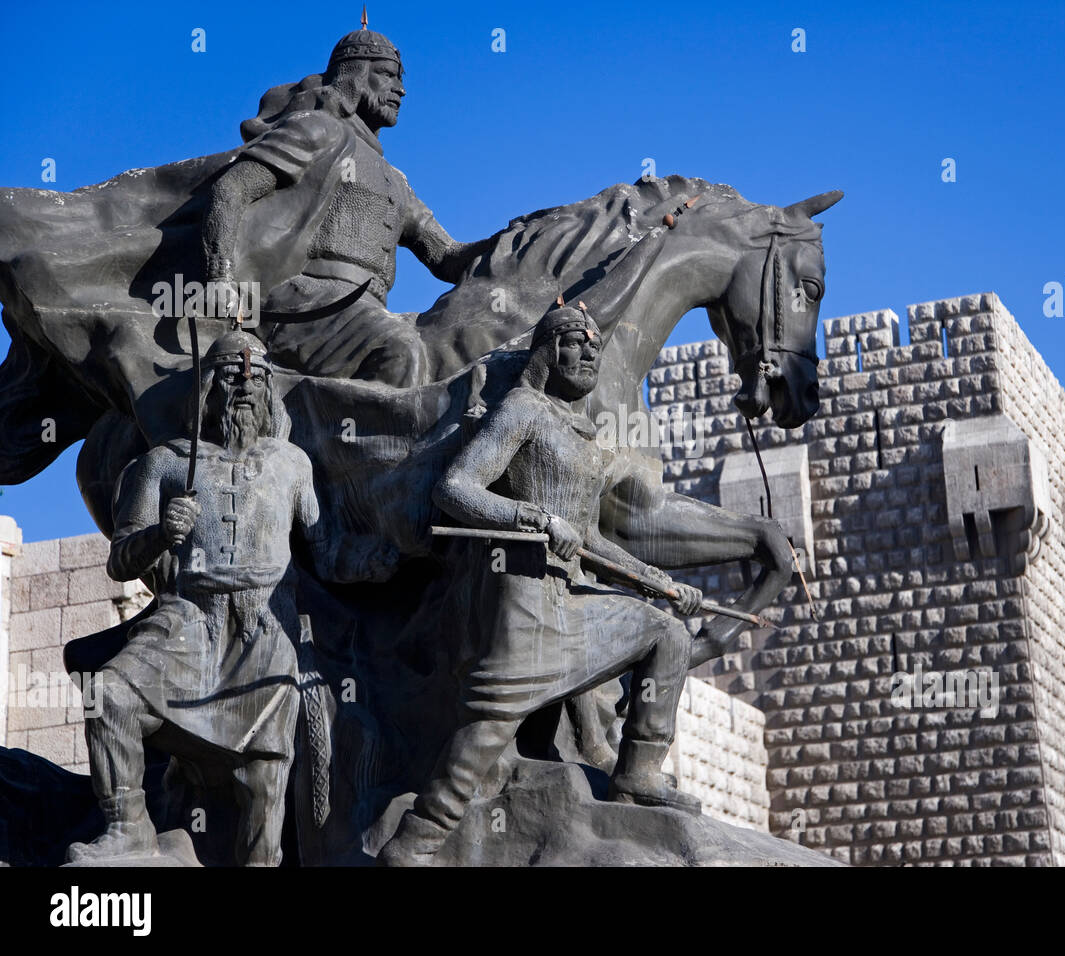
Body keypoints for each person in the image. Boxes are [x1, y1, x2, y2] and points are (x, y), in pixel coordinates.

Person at [379, 303, 704, 866]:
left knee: (666, 632)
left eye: (594, 346)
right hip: (521, 600)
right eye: (575, 343)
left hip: (570, 596)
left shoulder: (581, 433)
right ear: (548, 352)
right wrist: (530, 518)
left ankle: (639, 771)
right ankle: (413, 845)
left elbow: (587, 538)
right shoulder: (522, 409)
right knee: (488, 729)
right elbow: (456, 488)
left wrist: (658, 582)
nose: (588, 354)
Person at [67, 330, 396, 865]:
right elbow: (121, 559)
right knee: (107, 696)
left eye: (258, 377)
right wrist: (159, 536)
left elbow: (326, 551)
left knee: (265, 776)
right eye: (231, 374)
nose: (245, 385)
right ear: (207, 388)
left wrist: (377, 559)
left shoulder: (292, 464)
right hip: (187, 619)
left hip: (265, 624)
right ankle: (127, 829)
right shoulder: (165, 463)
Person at [201, 27, 491, 387]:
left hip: (364, 311)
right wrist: (220, 277)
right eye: (386, 75)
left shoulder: (395, 180)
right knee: (401, 350)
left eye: (400, 80)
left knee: (438, 350)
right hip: (304, 303)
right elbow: (232, 188)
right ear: (353, 74)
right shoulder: (318, 130)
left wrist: (520, 235)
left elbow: (447, 256)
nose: (400, 90)